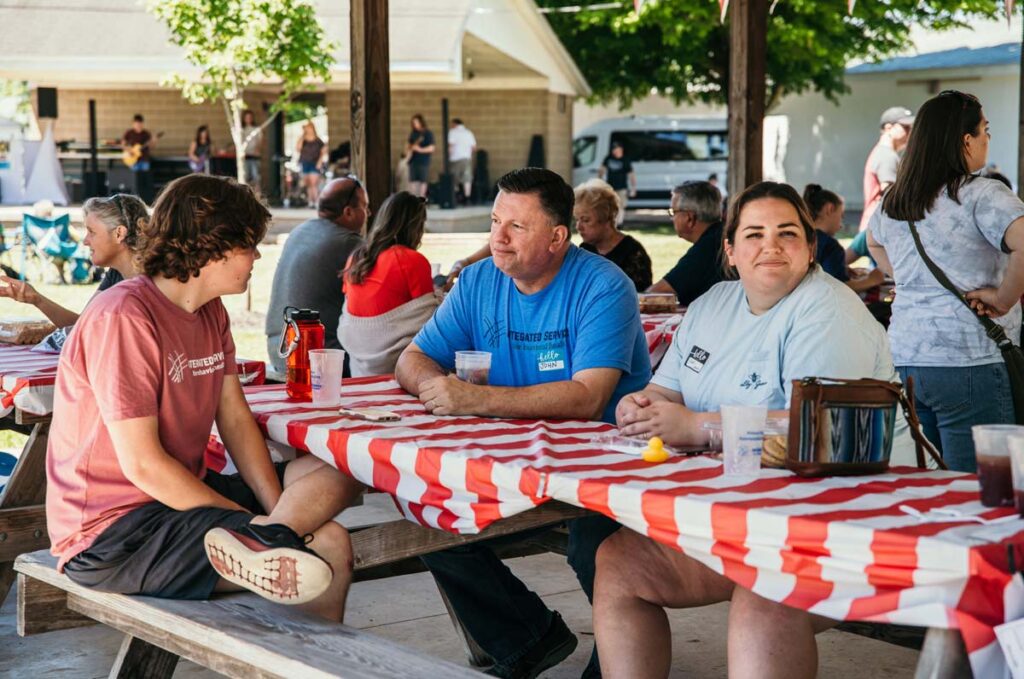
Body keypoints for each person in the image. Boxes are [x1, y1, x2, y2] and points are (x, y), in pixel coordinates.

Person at [595, 181, 910, 679]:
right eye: (754, 234)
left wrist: (697, 427)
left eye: (787, 233)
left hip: (852, 520)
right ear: (730, 250)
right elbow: (667, 391)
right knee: (619, 563)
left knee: (766, 592)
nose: (771, 246)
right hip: (749, 517)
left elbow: (828, 430)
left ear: (811, 247)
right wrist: (642, 406)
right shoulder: (713, 304)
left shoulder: (828, 309)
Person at [45, 174, 361, 620]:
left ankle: (265, 545)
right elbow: (143, 466)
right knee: (328, 542)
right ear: (214, 246)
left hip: (183, 496)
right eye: (250, 244)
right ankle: (268, 567)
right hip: (113, 532)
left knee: (345, 467)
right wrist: (247, 522)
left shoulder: (210, 311)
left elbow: (235, 420)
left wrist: (273, 520)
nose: (257, 256)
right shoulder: (124, 316)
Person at [395, 167, 652, 678]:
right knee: (424, 508)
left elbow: (588, 397)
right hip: (504, 458)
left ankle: (614, 665)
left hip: (601, 462)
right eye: (496, 221)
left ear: (557, 237)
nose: (498, 237)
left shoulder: (604, 285)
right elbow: (412, 359)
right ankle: (526, 638)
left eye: (517, 226)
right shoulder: (478, 280)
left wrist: (474, 398)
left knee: (599, 551)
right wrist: (438, 388)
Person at [868, 90, 1024, 473]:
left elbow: (872, 242)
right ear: (966, 140)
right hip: (970, 358)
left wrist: (907, 277)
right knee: (979, 486)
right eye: (985, 130)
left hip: (905, 360)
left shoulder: (895, 200)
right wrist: (1004, 298)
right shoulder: (983, 194)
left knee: (926, 484)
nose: (988, 138)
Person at [266, 176, 369, 375]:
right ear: (348, 212)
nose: (368, 214)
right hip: (315, 359)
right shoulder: (349, 243)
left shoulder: (299, 231)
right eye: (365, 207)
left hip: (278, 351)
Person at [0, 194, 148, 329]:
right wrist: (37, 299)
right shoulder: (116, 273)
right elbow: (82, 325)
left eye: (92, 232)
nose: (85, 241)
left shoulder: (151, 281)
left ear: (119, 233)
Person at [339, 192, 439, 376]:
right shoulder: (411, 260)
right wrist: (441, 296)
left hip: (359, 370)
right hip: (397, 368)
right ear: (415, 226)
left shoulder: (356, 258)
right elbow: (429, 317)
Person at [646, 180, 725, 305]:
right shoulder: (720, 235)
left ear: (689, 218)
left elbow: (656, 294)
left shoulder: (707, 248)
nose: (672, 218)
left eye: (673, 212)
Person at [803, 184, 884, 293]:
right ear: (829, 209)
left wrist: (841, 268)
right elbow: (839, 288)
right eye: (841, 216)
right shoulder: (830, 246)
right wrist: (872, 280)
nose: (841, 225)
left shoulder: (802, 238)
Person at [575, 178, 652, 291]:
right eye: (577, 220)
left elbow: (640, 296)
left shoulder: (632, 253)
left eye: (585, 220)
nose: (578, 227)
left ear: (607, 218)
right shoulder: (585, 249)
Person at [858, 106, 913, 232]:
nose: (910, 131)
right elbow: (889, 193)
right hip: (879, 229)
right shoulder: (887, 155)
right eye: (905, 127)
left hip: (874, 227)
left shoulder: (882, 152)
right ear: (888, 128)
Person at [598, 142, 636, 225]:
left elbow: (631, 175)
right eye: (613, 149)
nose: (614, 151)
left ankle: (619, 224)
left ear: (621, 150)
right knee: (610, 206)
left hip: (622, 187)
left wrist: (633, 188)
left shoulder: (625, 160)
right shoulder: (608, 158)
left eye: (616, 149)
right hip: (610, 187)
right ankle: (613, 223)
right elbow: (602, 170)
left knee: (621, 206)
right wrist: (600, 180)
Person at [296, 120, 327, 206]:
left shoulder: (318, 140)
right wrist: (303, 135)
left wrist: (320, 162)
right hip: (305, 162)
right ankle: (310, 201)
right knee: (308, 183)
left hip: (315, 163)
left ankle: (316, 201)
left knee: (314, 183)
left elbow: (323, 151)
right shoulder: (303, 139)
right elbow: (298, 148)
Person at [406, 114, 435, 199]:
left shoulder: (428, 133)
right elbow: (408, 145)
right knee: (412, 181)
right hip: (412, 161)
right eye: (413, 123)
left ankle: (421, 199)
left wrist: (419, 149)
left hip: (423, 161)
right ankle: (413, 199)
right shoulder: (413, 133)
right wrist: (410, 148)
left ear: (421, 122)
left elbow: (432, 148)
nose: (415, 124)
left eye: (416, 122)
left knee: (423, 181)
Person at [448, 118, 477, 204]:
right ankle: (467, 198)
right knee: (467, 178)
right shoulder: (468, 133)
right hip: (466, 158)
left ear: (454, 124)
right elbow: (474, 148)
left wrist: (448, 157)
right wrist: (467, 153)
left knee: (454, 178)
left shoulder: (452, 132)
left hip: (455, 159)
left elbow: (451, 146)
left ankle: (455, 197)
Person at [240, 110, 263, 190]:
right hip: (245, 157)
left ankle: (258, 194)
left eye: (250, 117)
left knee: (256, 178)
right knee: (245, 178)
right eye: (247, 117)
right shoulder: (242, 130)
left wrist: (257, 150)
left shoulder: (256, 129)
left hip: (254, 157)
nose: (248, 119)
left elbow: (260, 142)